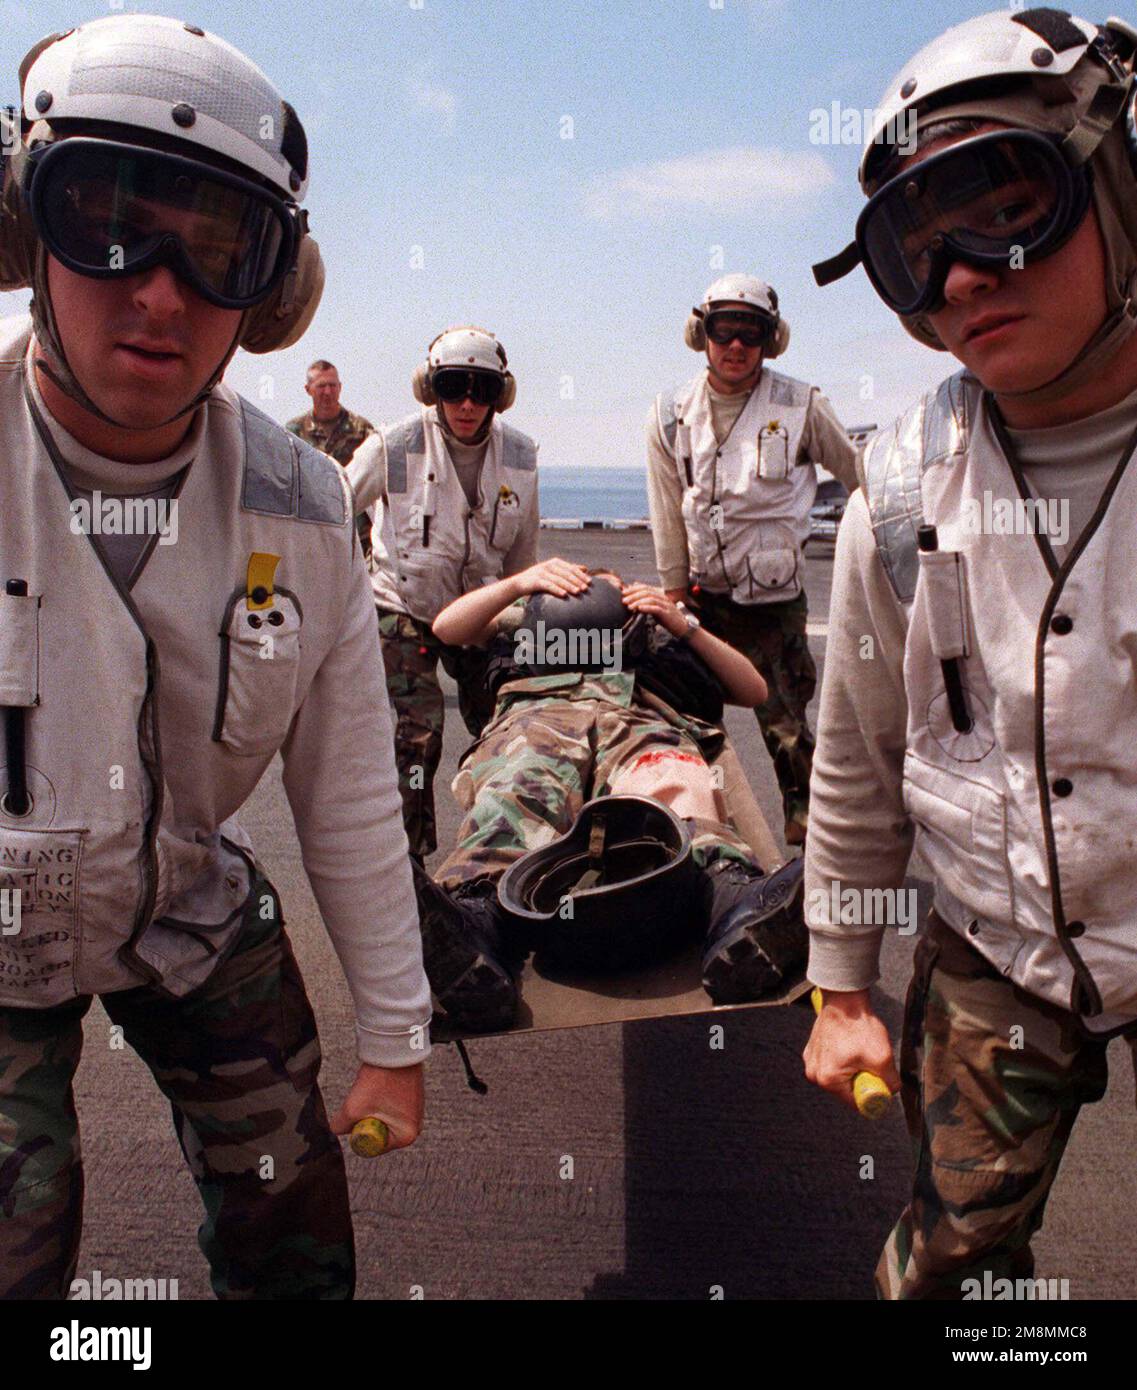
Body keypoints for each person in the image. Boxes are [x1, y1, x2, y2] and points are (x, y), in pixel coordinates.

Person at [0, 14, 429, 1300]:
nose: (162, 293)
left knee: (294, 1224)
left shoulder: (301, 508)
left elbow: (346, 785)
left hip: (187, 896)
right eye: (108, 220)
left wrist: (398, 1034)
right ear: (29, 236)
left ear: (271, 292)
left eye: (219, 248)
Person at [802, 8, 1137, 1299]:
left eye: (1012, 210)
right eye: (915, 253)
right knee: (953, 1257)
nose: (959, 282)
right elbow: (856, 757)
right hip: (993, 941)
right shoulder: (897, 490)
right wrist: (839, 982)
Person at [412, 560, 808, 1031]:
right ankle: (476, 924)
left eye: (612, 586)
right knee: (515, 791)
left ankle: (730, 902)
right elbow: (446, 627)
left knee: (675, 785)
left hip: (641, 719)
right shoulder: (525, 619)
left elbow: (754, 689)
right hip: (540, 717)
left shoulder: (658, 629)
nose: (598, 590)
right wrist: (521, 583)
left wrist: (682, 623)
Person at [645, 274, 860, 848]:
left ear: (772, 339)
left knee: (787, 729)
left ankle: (814, 841)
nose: (736, 346)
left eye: (752, 333)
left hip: (772, 603)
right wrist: (670, 590)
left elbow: (860, 480)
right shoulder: (669, 413)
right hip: (698, 596)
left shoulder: (801, 405)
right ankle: (702, 831)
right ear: (701, 334)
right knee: (690, 722)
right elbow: (666, 507)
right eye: (723, 331)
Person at [347, 326, 540, 862]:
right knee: (418, 732)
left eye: (482, 389)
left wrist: (521, 629)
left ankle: (499, 849)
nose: (468, 403)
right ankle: (405, 859)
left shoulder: (521, 456)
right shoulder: (393, 445)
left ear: (500, 394)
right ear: (431, 387)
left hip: (481, 612)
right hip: (402, 606)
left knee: (504, 725)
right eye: (454, 386)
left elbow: (523, 556)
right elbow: (336, 507)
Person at [286, 359, 375, 556]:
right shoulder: (293, 432)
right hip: (310, 535)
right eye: (321, 386)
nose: (327, 392)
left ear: (340, 387)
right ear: (308, 389)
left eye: (332, 385)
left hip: (356, 537)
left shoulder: (362, 430)